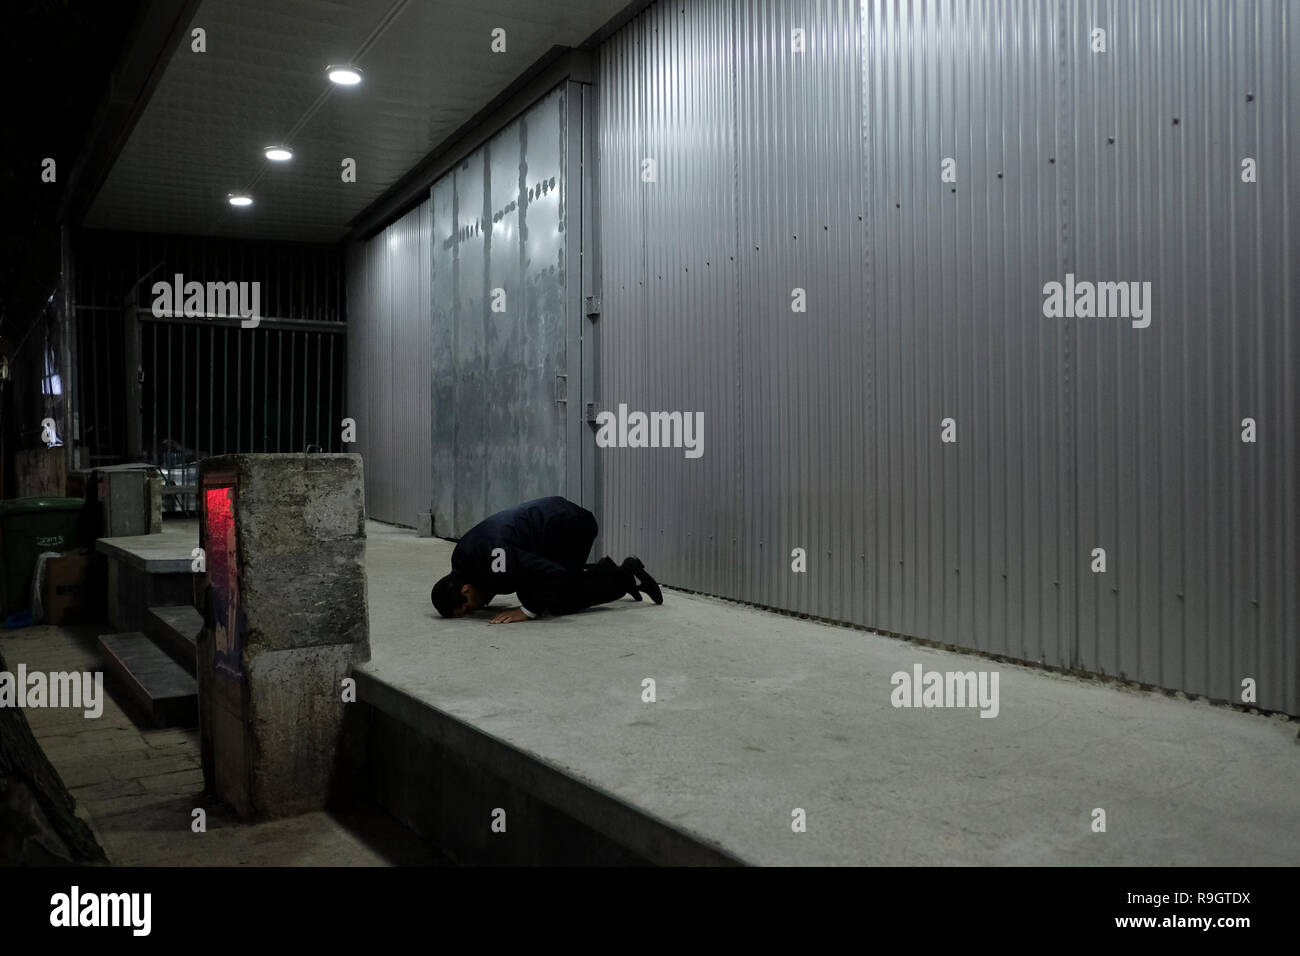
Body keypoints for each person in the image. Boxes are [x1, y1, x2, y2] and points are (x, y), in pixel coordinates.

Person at [430, 496, 662, 623]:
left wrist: (528, 611)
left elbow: (553, 574)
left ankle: (624, 576)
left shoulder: (494, 561)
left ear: (466, 590)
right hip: (553, 521)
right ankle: (613, 572)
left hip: (573, 526)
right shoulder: (463, 559)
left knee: (560, 600)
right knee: (538, 589)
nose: (477, 611)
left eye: (470, 609)